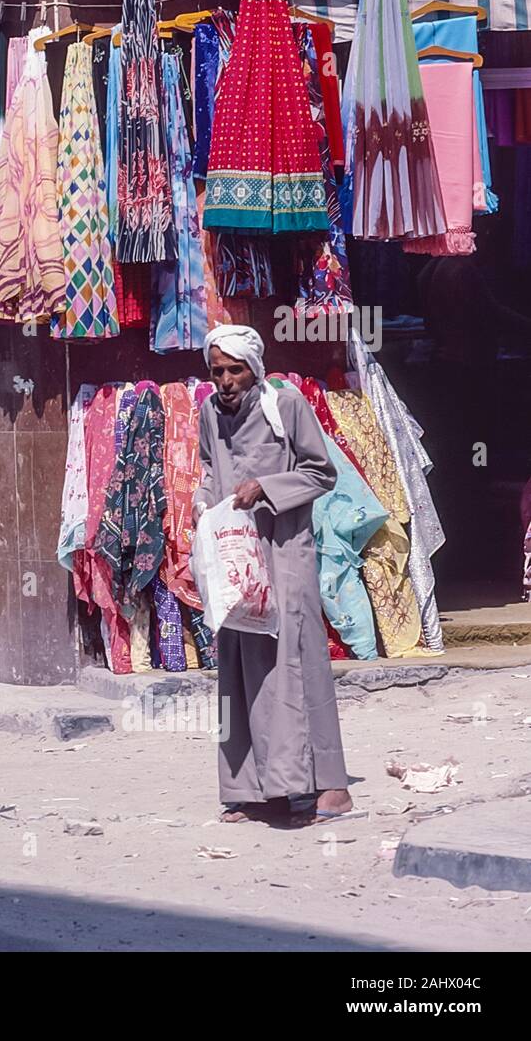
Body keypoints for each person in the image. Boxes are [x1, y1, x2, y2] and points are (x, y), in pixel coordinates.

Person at [193, 324, 356, 825]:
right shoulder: (207, 413)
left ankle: (329, 786)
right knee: (242, 665)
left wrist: (265, 487)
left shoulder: (286, 406)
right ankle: (258, 789)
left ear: (255, 368)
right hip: (235, 555)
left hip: (284, 553)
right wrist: (203, 506)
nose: (225, 380)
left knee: (297, 661)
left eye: (234, 369)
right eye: (217, 370)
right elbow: (206, 466)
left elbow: (320, 471)